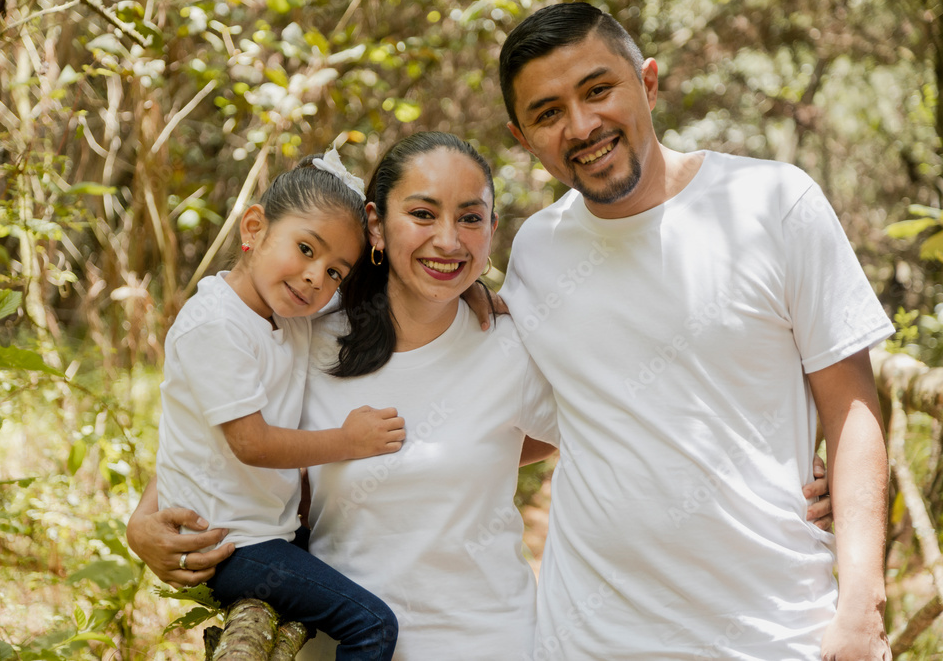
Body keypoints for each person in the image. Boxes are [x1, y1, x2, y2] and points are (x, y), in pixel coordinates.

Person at [127, 133, 833, 658]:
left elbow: (634, 414)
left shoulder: (514, 342)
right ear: (376, 226)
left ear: (493, 232)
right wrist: (143, 518)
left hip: (488, 636)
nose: (446, 239)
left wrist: (796, 453)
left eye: (471, 217)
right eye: (422, 213)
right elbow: (224, 419)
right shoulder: (315, 328)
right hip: (342, 636)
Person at [498, 2, 893, 660]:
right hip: (588, 640)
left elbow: (851, 405)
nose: (581, 124)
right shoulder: (537, 250)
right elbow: (543, 417)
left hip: (779, 632)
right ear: (523, 137)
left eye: (599, 90)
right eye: (548, 112)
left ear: (647, 83)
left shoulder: (776, 202)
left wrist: (862, 601)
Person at [155, 150, 404, 660]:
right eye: (306, 248)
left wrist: (474, 292)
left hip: (267, 533)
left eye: (336, 271)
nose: (317, 278)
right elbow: (249, 442)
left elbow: (375, 297)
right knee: (373, 624)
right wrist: (348, 442)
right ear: (255, 226)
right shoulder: (216, 324)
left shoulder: (286, 311)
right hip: (228, 544)